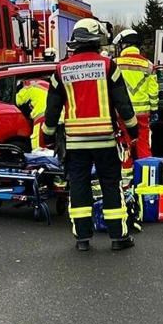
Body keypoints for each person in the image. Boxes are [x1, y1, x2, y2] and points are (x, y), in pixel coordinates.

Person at [43, 18, 139, 252]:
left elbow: (52, 108)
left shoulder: (61, 69)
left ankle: (82, 240)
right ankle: (118, 237)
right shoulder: (108, 66)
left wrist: (48, 135)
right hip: (105, 140)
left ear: (75, 42)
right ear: (98, 41)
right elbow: (123, 103)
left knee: (78, 186)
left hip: (75, 143)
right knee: (110, 185)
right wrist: (133, 129)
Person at [112, 28, 159, 159]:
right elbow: (153, 92)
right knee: (143, 144)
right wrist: (154, 110)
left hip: (121, 112)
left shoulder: (115, 64)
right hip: (143, 113)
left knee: (125, 144)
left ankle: (126, 177)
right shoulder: (148, 65)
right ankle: (146, 174)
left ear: (125, 45)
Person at [15, 77, 50, 150]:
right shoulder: (46, 84)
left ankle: (39, 160)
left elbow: (18, 101)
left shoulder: (29, 86)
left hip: (42, 117)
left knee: (37, 144)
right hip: (58, 116)